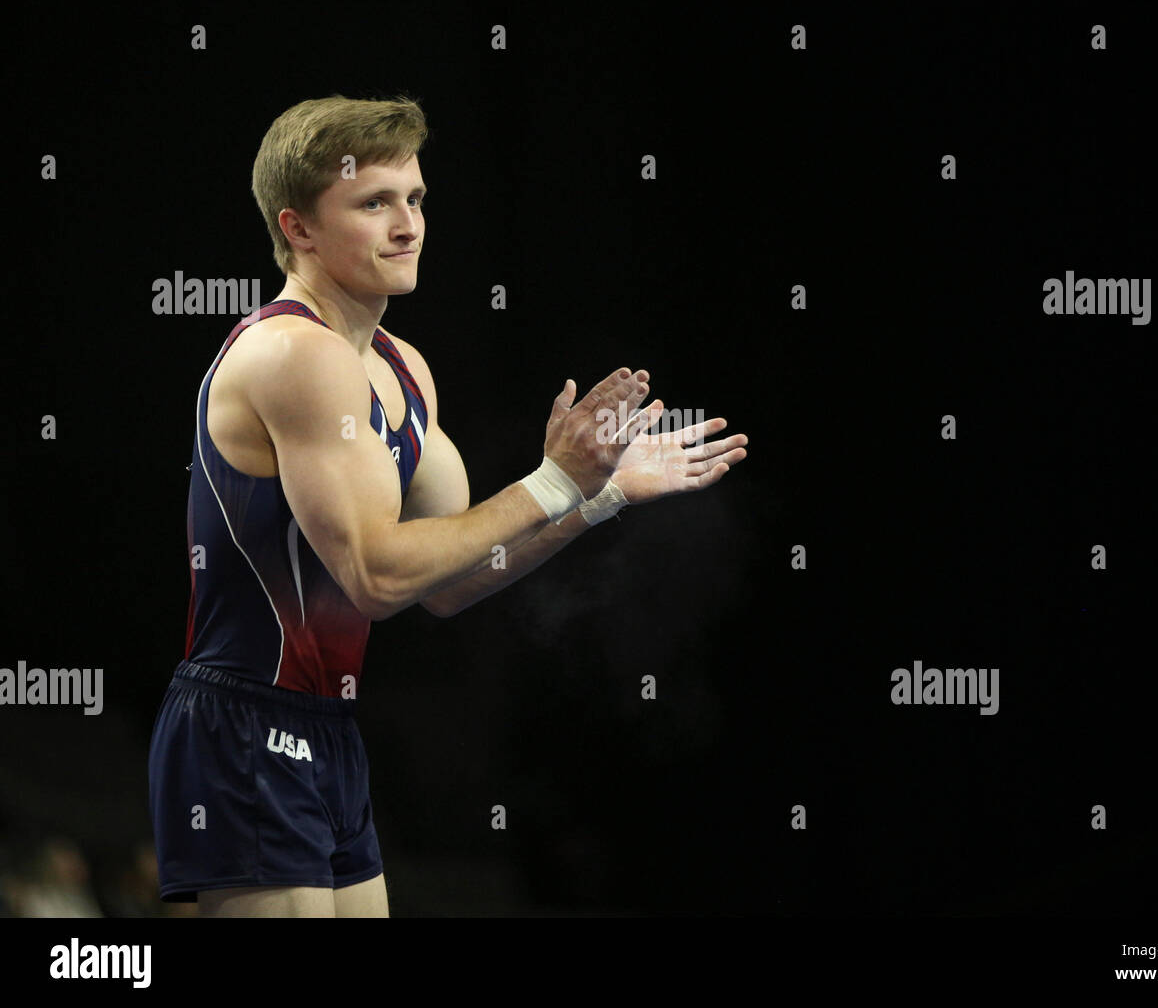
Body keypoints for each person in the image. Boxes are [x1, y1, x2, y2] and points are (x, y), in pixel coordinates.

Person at [147, 94, 748, 917]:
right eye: (373, 203)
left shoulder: (403, 371)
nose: (408, 225)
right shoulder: (293, 354)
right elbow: (374, 577)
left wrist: (595, 497)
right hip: (243, 723)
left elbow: (452, 577)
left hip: (328, 728)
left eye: (416, 200)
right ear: (298, 229)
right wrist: (554, 481)